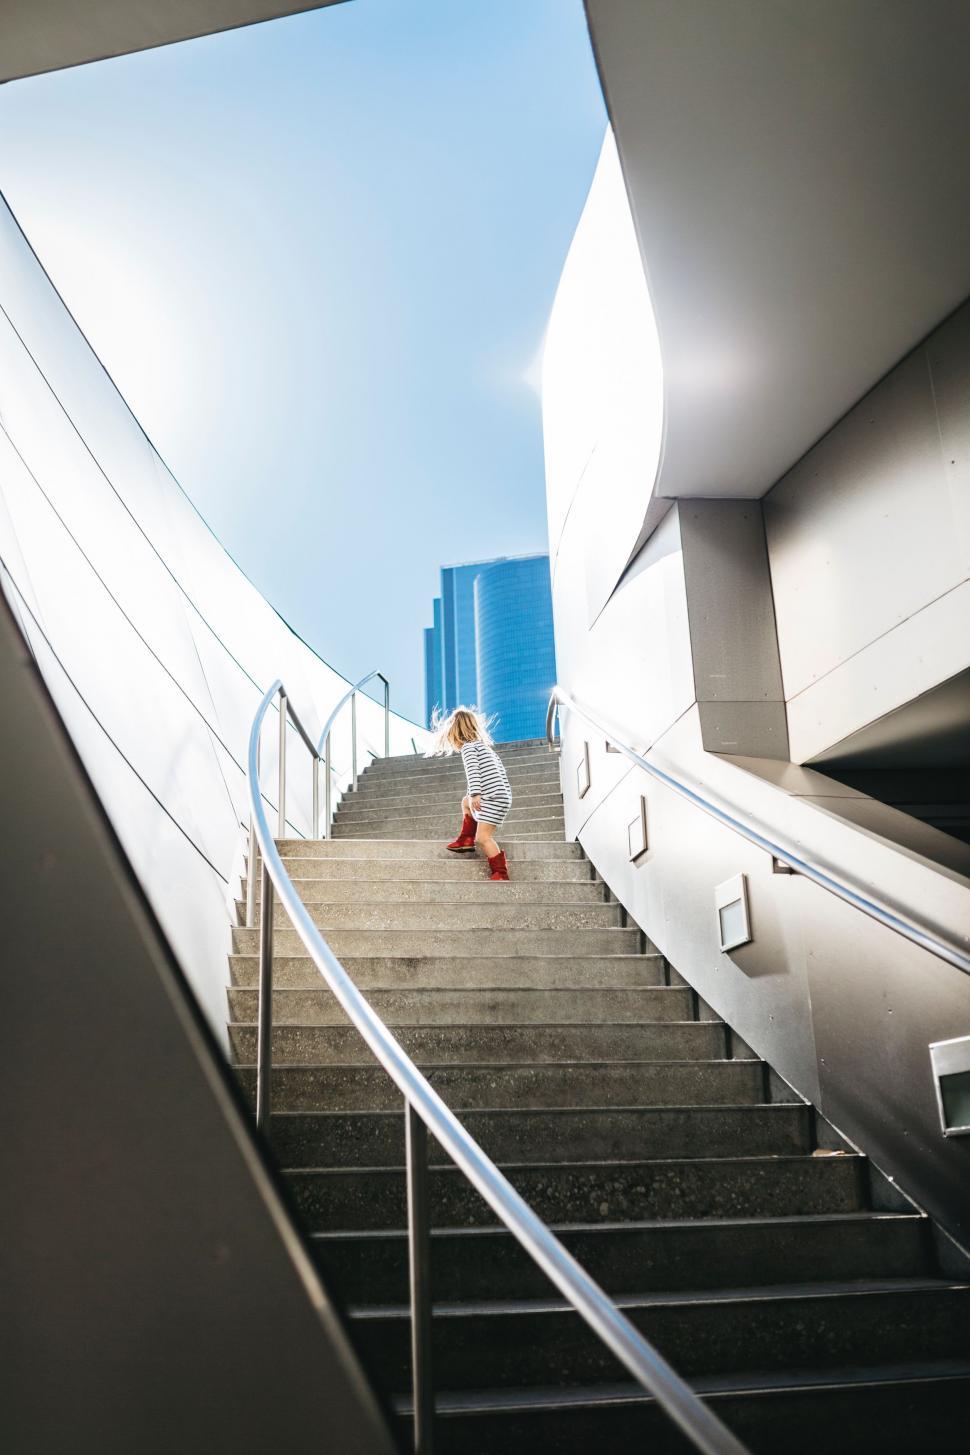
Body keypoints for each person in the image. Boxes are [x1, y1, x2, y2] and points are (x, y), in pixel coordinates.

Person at [433, 707, 512, 880]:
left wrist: (476, 793)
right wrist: (472, 796)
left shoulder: (468, 749)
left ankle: (500, 873)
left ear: (456, 732)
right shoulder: (484, 748)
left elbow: (473, 772)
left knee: (483, 838)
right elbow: (498, 774)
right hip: (500, 796)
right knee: (464, 801)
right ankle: (466, 839)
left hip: (491, 798)